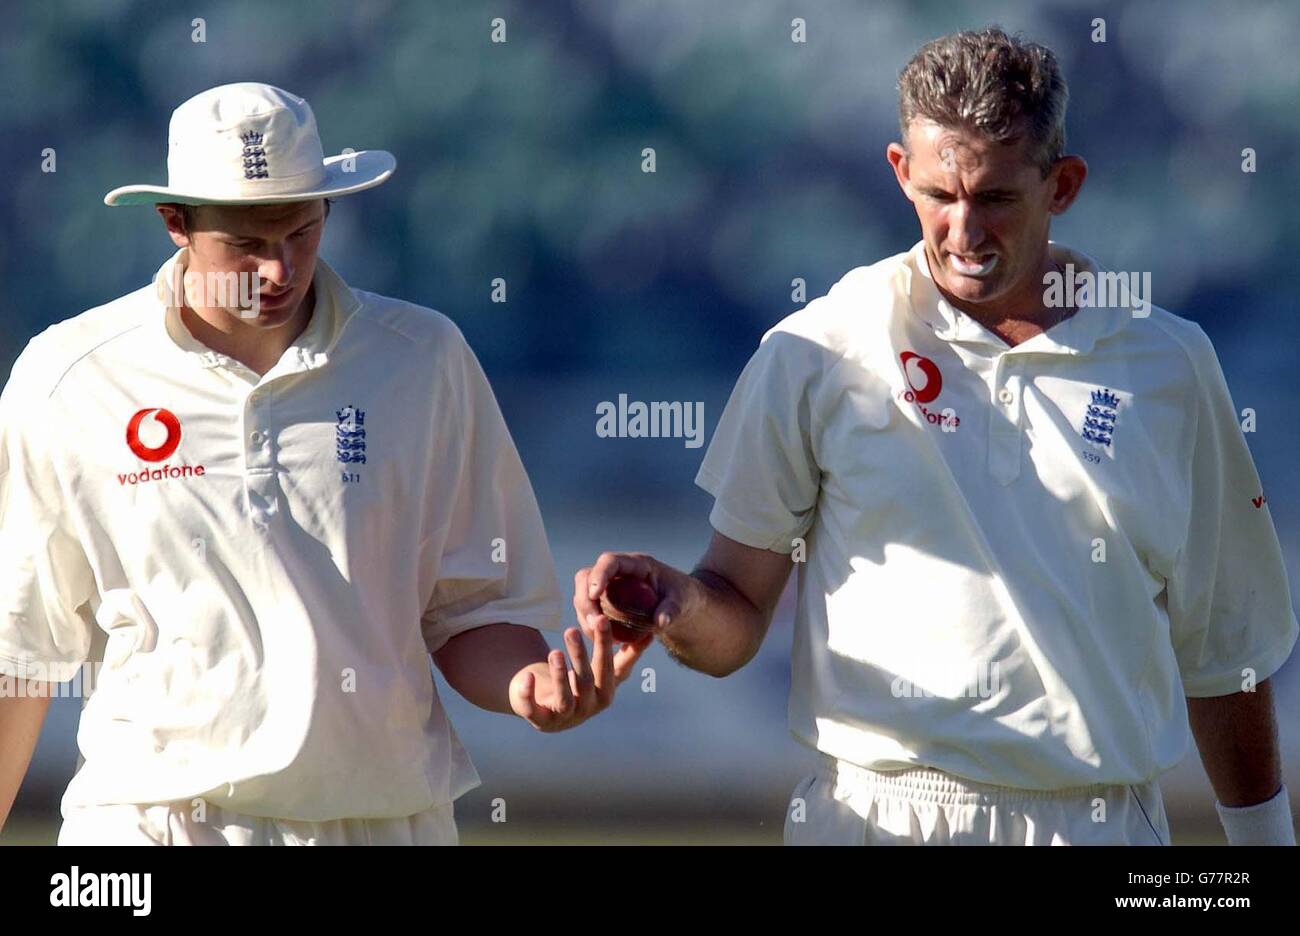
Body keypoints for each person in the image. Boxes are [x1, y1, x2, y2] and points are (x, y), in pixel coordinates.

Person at [573, 29, 1296, 845]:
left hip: (1097, 821)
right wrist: (675, 605)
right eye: (938, 194)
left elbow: (1226, 650)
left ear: (1063, 185)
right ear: (898, 172)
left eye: (995, 198)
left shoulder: (1171, 363)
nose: (964, 230)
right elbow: (735, 613)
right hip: (871, 817)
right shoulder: (819, 346)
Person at [0, 82, 649, 845]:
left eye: (300, 233)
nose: (278, 270)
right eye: (246, 242)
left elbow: (473, 609)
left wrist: (528, 685)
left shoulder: (424, 359)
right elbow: (22, 651)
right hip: (150, 826)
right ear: (174, 222)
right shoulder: (70, 375)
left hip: (385, 821)